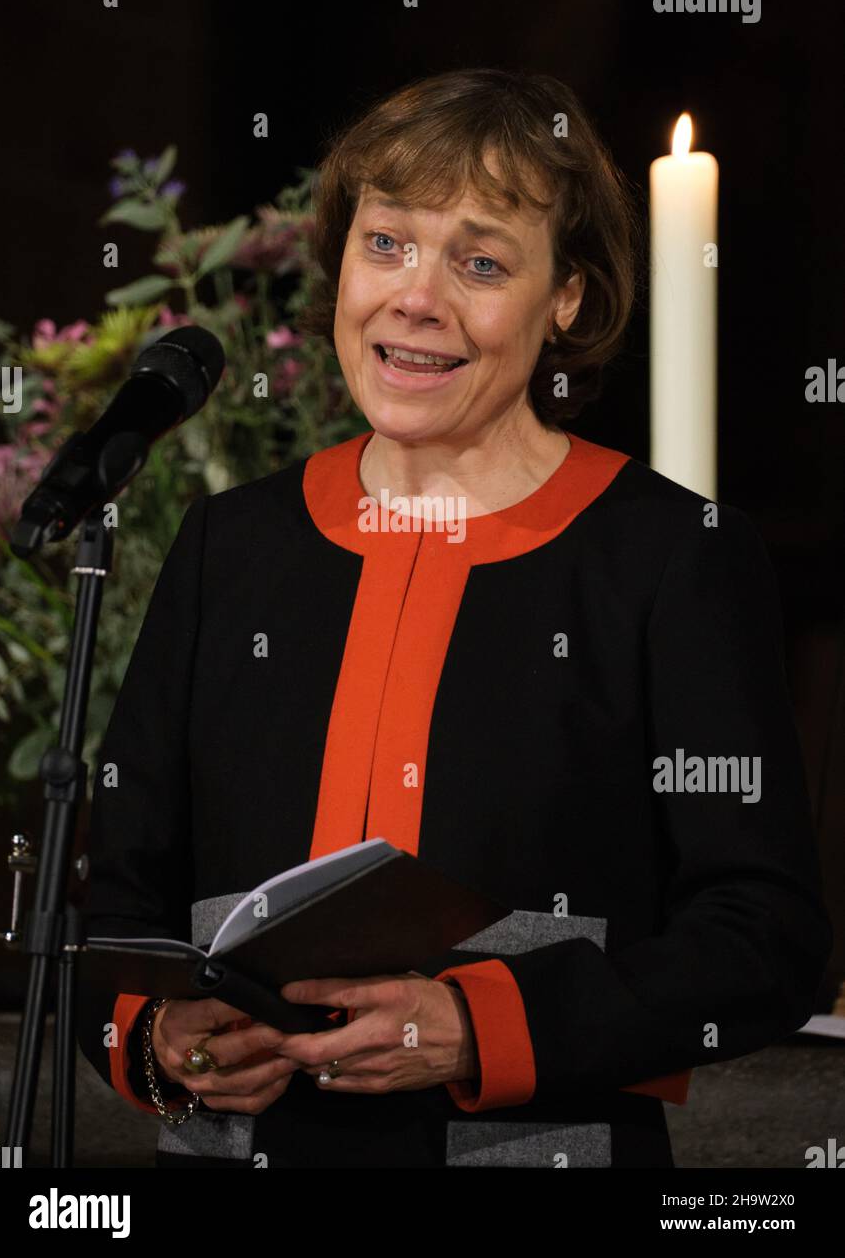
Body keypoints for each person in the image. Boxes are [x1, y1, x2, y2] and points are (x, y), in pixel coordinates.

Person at [76, 68, 832, 1168]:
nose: (414, 297)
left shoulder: (669, 556)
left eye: (478, 261)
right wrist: (156, 1041)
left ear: (566, 297)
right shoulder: (227, 548)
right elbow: (112, 902)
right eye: (385, 243)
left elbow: (763, 938)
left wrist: (479, 1027)